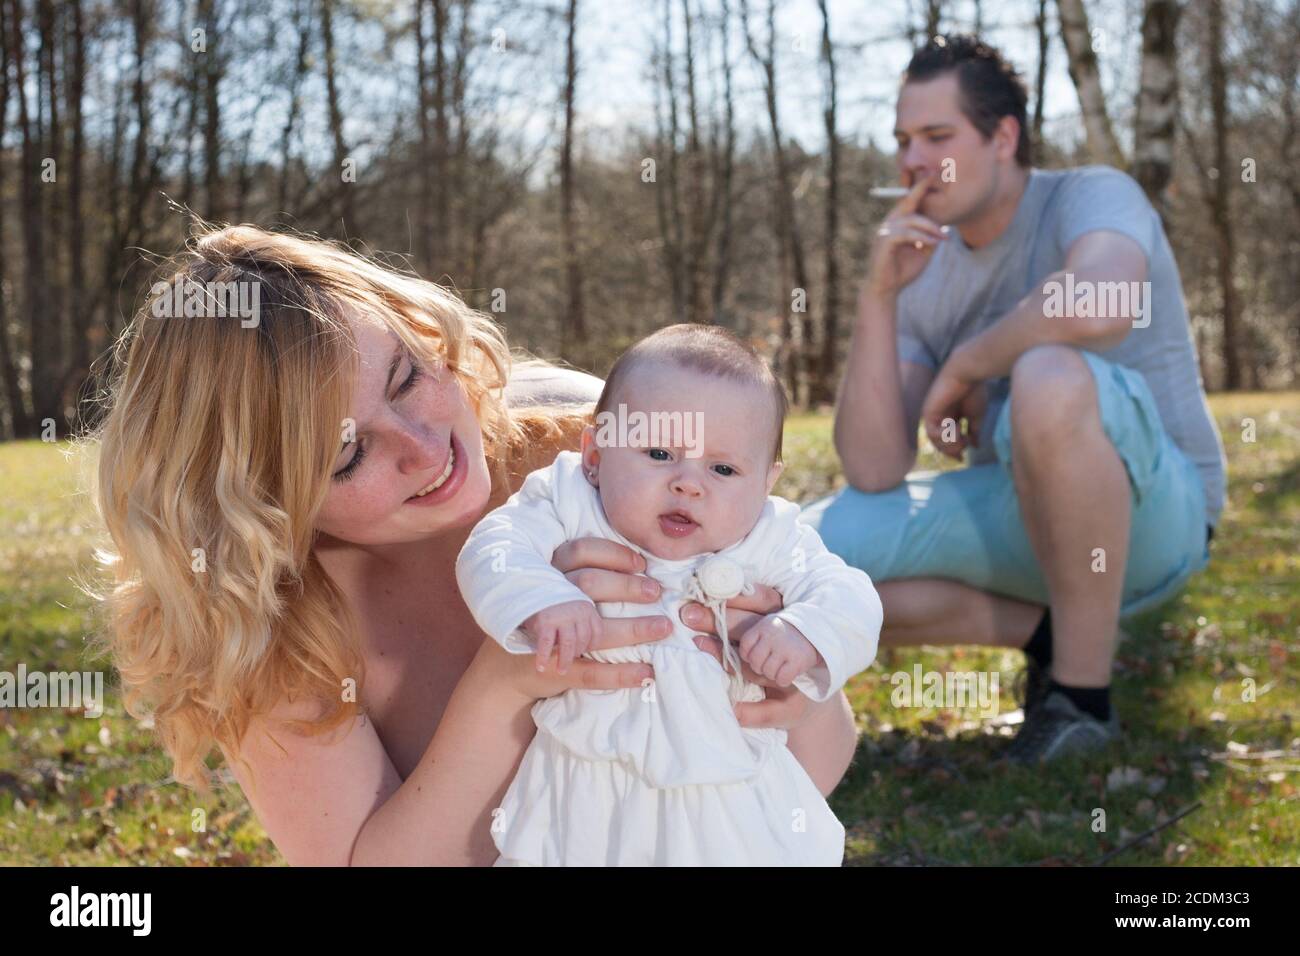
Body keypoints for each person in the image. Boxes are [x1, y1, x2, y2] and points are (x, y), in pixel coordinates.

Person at [90, 224, 860, 865]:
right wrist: (504, 682)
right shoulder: (261, 622)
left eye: (406, 379)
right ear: (258, 498)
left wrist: (787, 678)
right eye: (348, 455)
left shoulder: (584, 452)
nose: (426, 449)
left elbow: (815, 771)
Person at [800, 34, 1226, 763]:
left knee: (1048, 376)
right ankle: (1046, 631)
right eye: (903, 139)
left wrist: (968, 361)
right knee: (800, 559)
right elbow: (873, 468)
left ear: (1004, 137)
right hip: (1022, 512)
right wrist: (878, 297)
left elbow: (1101, 299)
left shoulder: (1092, 195)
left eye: (938, 136)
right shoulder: (924, 267)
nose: (911, 160)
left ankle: (1080, 700)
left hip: (1159, 517)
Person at [457, 325, 881, 865]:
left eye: (723, 469)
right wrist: (540, 599)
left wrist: (803, 631)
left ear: (766, 483)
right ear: (595, 452)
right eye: (659, 452)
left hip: (728, 799)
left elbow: (851, 596)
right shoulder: (569, 504)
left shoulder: (771, 539)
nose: (689, 483)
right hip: (587, 788)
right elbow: (494, 547)